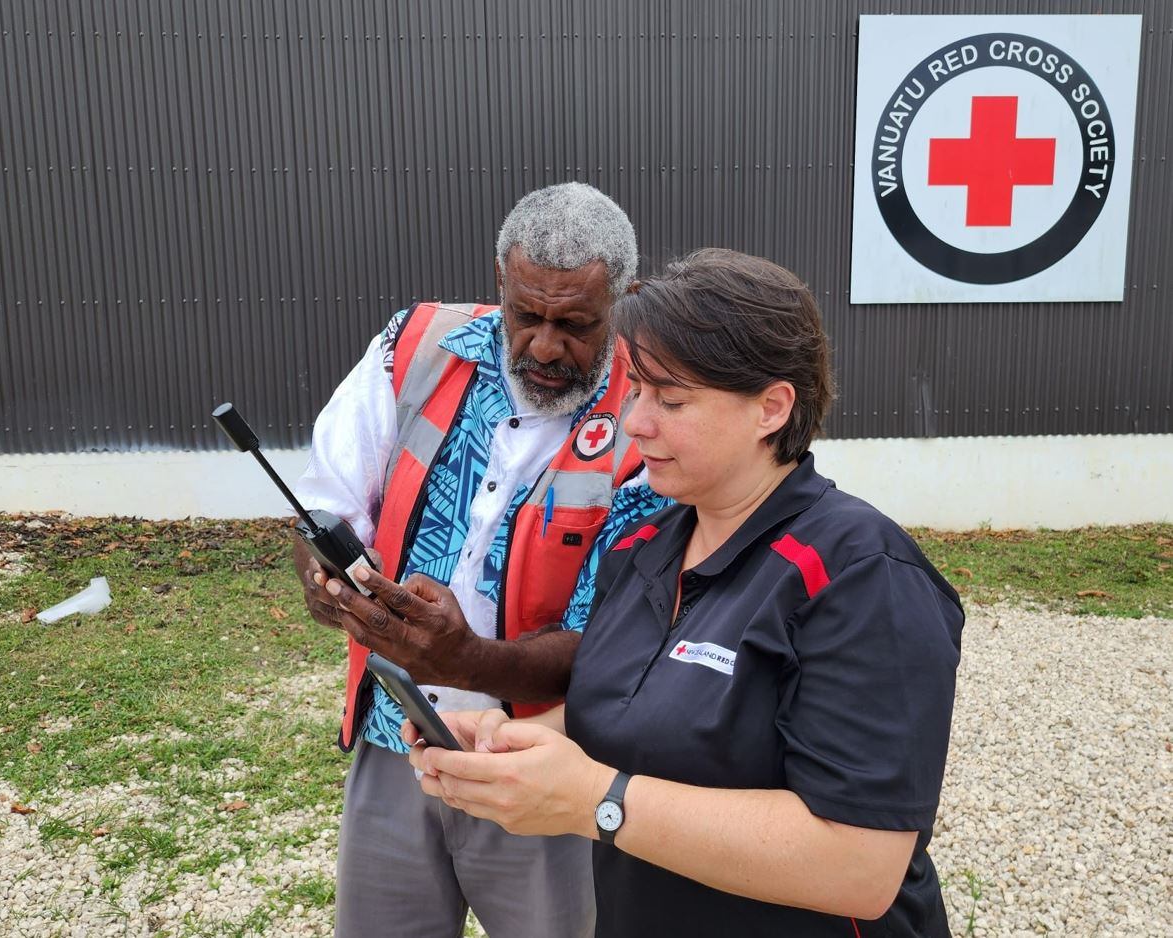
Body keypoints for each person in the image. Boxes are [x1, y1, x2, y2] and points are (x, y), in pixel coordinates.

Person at [406, 249, 965, 937]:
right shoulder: (643, 547)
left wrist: (597, 801)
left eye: (670, 400)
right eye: (635, 391)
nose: (635, 423)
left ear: (771, 408)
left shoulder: (861, 572)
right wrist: (504, 741)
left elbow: (859, 865)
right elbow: (625, 709)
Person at [292, 182, 668, 938]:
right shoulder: (415, 347)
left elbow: (613, 645)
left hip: (546, 760)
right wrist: (322, 574)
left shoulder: (651, 417)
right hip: (395, 738)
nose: (545, 347)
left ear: (622, 301)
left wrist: (465, 660)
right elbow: (325, 505)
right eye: (526, 315)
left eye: (576, 325)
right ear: (500, 280)